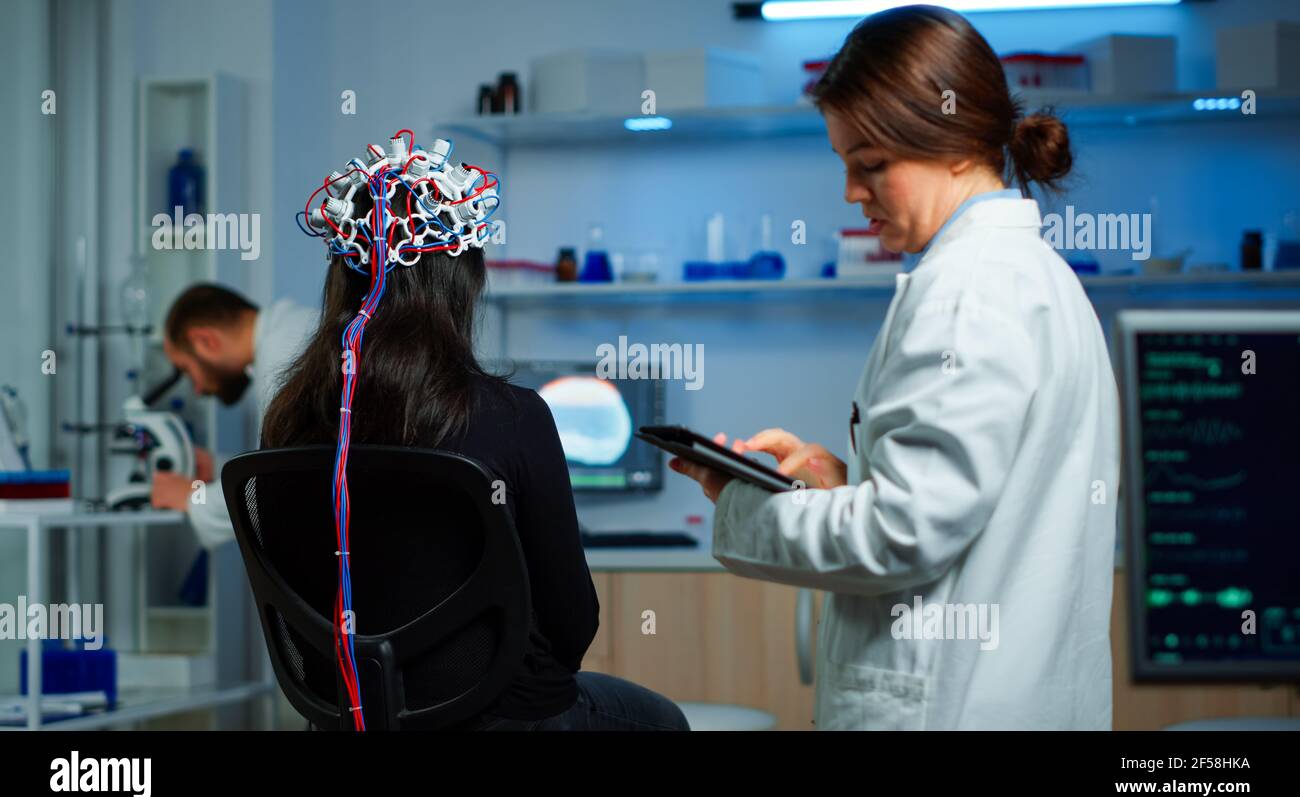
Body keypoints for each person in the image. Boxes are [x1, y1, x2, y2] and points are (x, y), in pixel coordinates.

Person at [671, 5, 1119, 730]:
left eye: (870, 166)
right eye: (845, 164)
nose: (852, 193)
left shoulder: (969, 291)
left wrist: (743, 505)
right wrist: (838, 483)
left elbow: (901, 535)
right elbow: (957, 506)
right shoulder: (1034, 277)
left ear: (953, 144)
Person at [260, 134, 689, 731]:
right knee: (660, 719)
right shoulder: (512, 416)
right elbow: (572, 621)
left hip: (349, 715)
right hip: (503, 717)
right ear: (465, 283)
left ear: (340, 273)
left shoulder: (289, 418)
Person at [152, 284, 317, 549]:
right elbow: (298, 461)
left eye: (187, 369)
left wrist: (192, 497)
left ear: (205, 341)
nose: (197, 388)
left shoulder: (283, 358)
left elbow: (277, 489)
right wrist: (220, 468)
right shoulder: (293, 330)